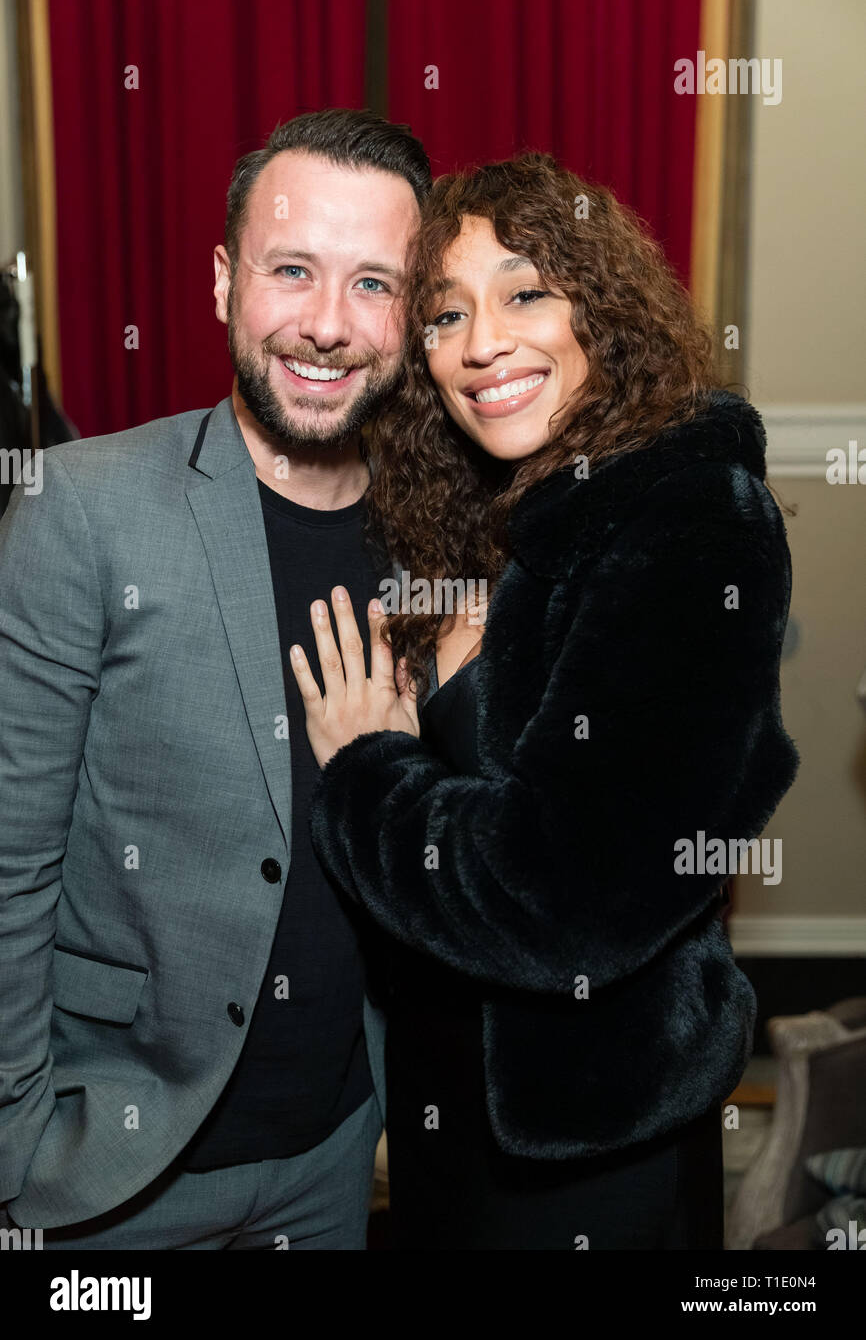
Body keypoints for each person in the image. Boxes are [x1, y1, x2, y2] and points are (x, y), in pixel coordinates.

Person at [288, 153, 800, 1250]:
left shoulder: (687, 514)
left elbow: (563, 898)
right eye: (442, 314)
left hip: (590, 1144)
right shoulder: (486, 517)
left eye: (524, 292)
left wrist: (367, 767)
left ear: (599, 311)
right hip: (448, 1124)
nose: (481, 343)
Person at [0, 108, 430, 1249]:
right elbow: (7, 859)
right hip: (107, 1176)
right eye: (293, 270)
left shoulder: (439, 541)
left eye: (373, 284)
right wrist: (14, 1155)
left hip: (340, 1157)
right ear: (221, 280)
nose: (328, 326)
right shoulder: (79, 507)